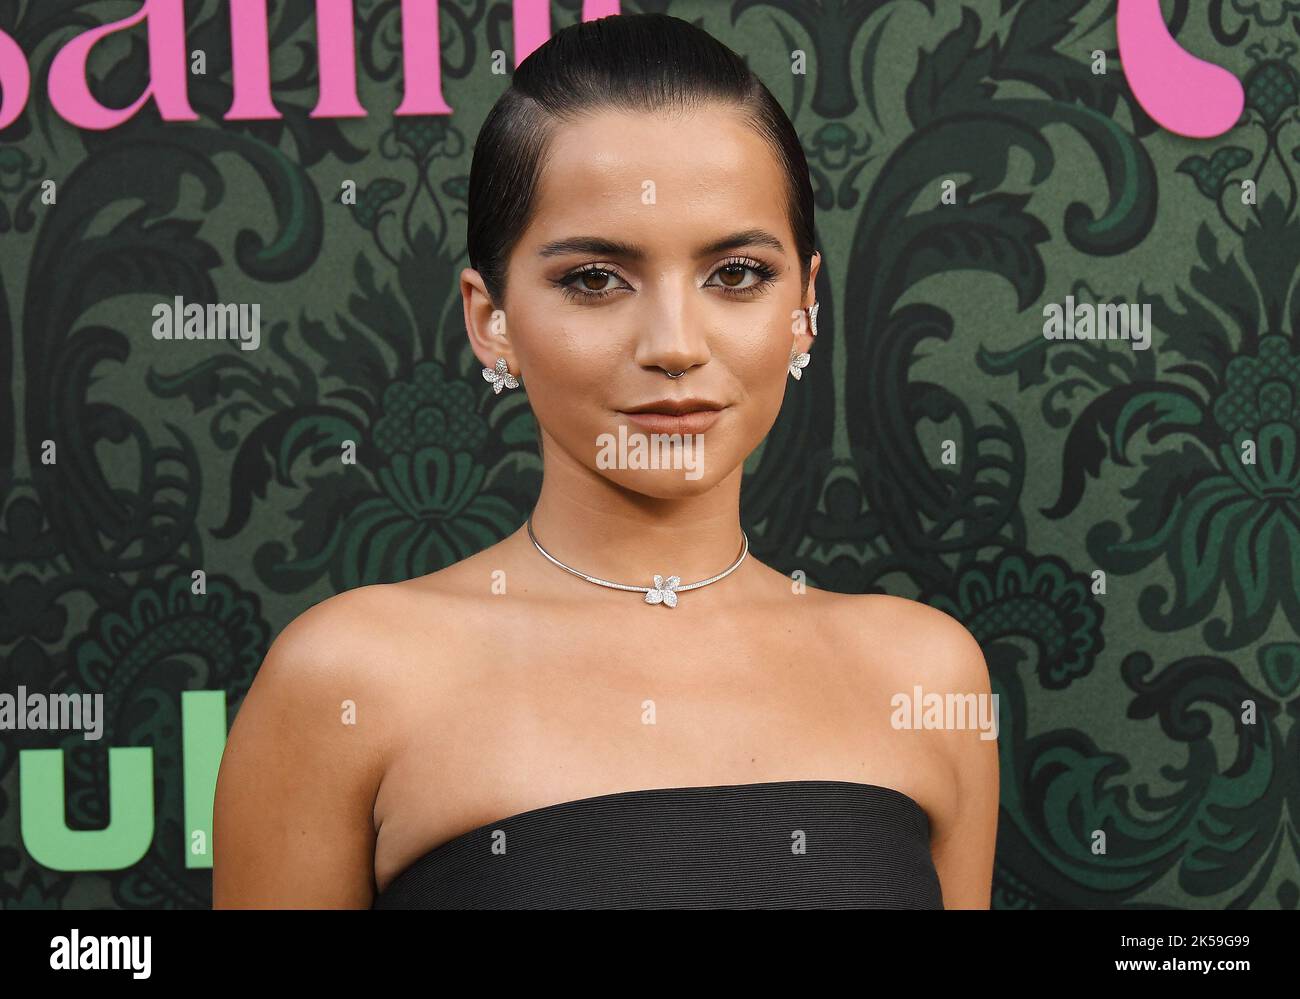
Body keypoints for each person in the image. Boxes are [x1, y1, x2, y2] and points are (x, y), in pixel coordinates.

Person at [212, 12, 998, 909]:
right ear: (489, 319)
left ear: (806, 307)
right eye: (595, 279)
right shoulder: (347, 679)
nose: (674, 344)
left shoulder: (926, 676)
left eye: (736, 273)